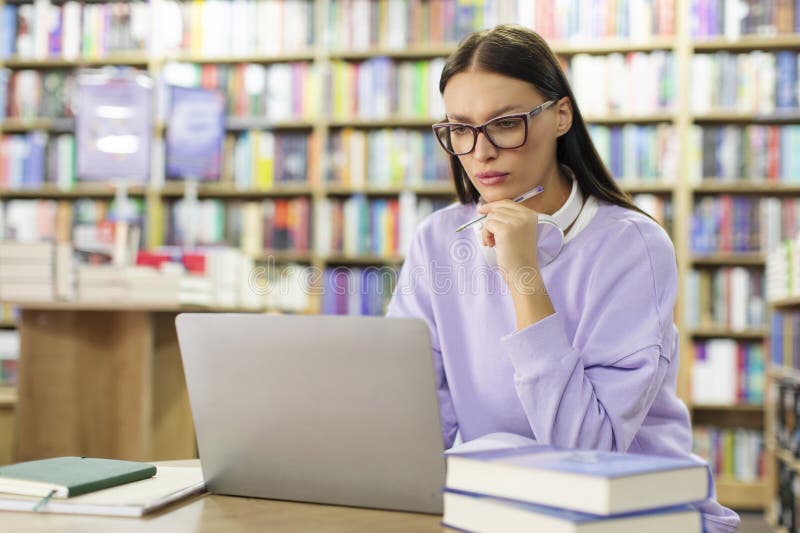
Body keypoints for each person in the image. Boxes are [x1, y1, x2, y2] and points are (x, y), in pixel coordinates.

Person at [386, 24, 740, 532]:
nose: (480, 151)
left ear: (560, 115)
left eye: (505, 123)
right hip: (502, 506)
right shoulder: (438, 240)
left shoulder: (631, 246)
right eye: (459, 129)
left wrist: (524, 276)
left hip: (636, 513)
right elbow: (417, 429)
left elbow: (586, 453)